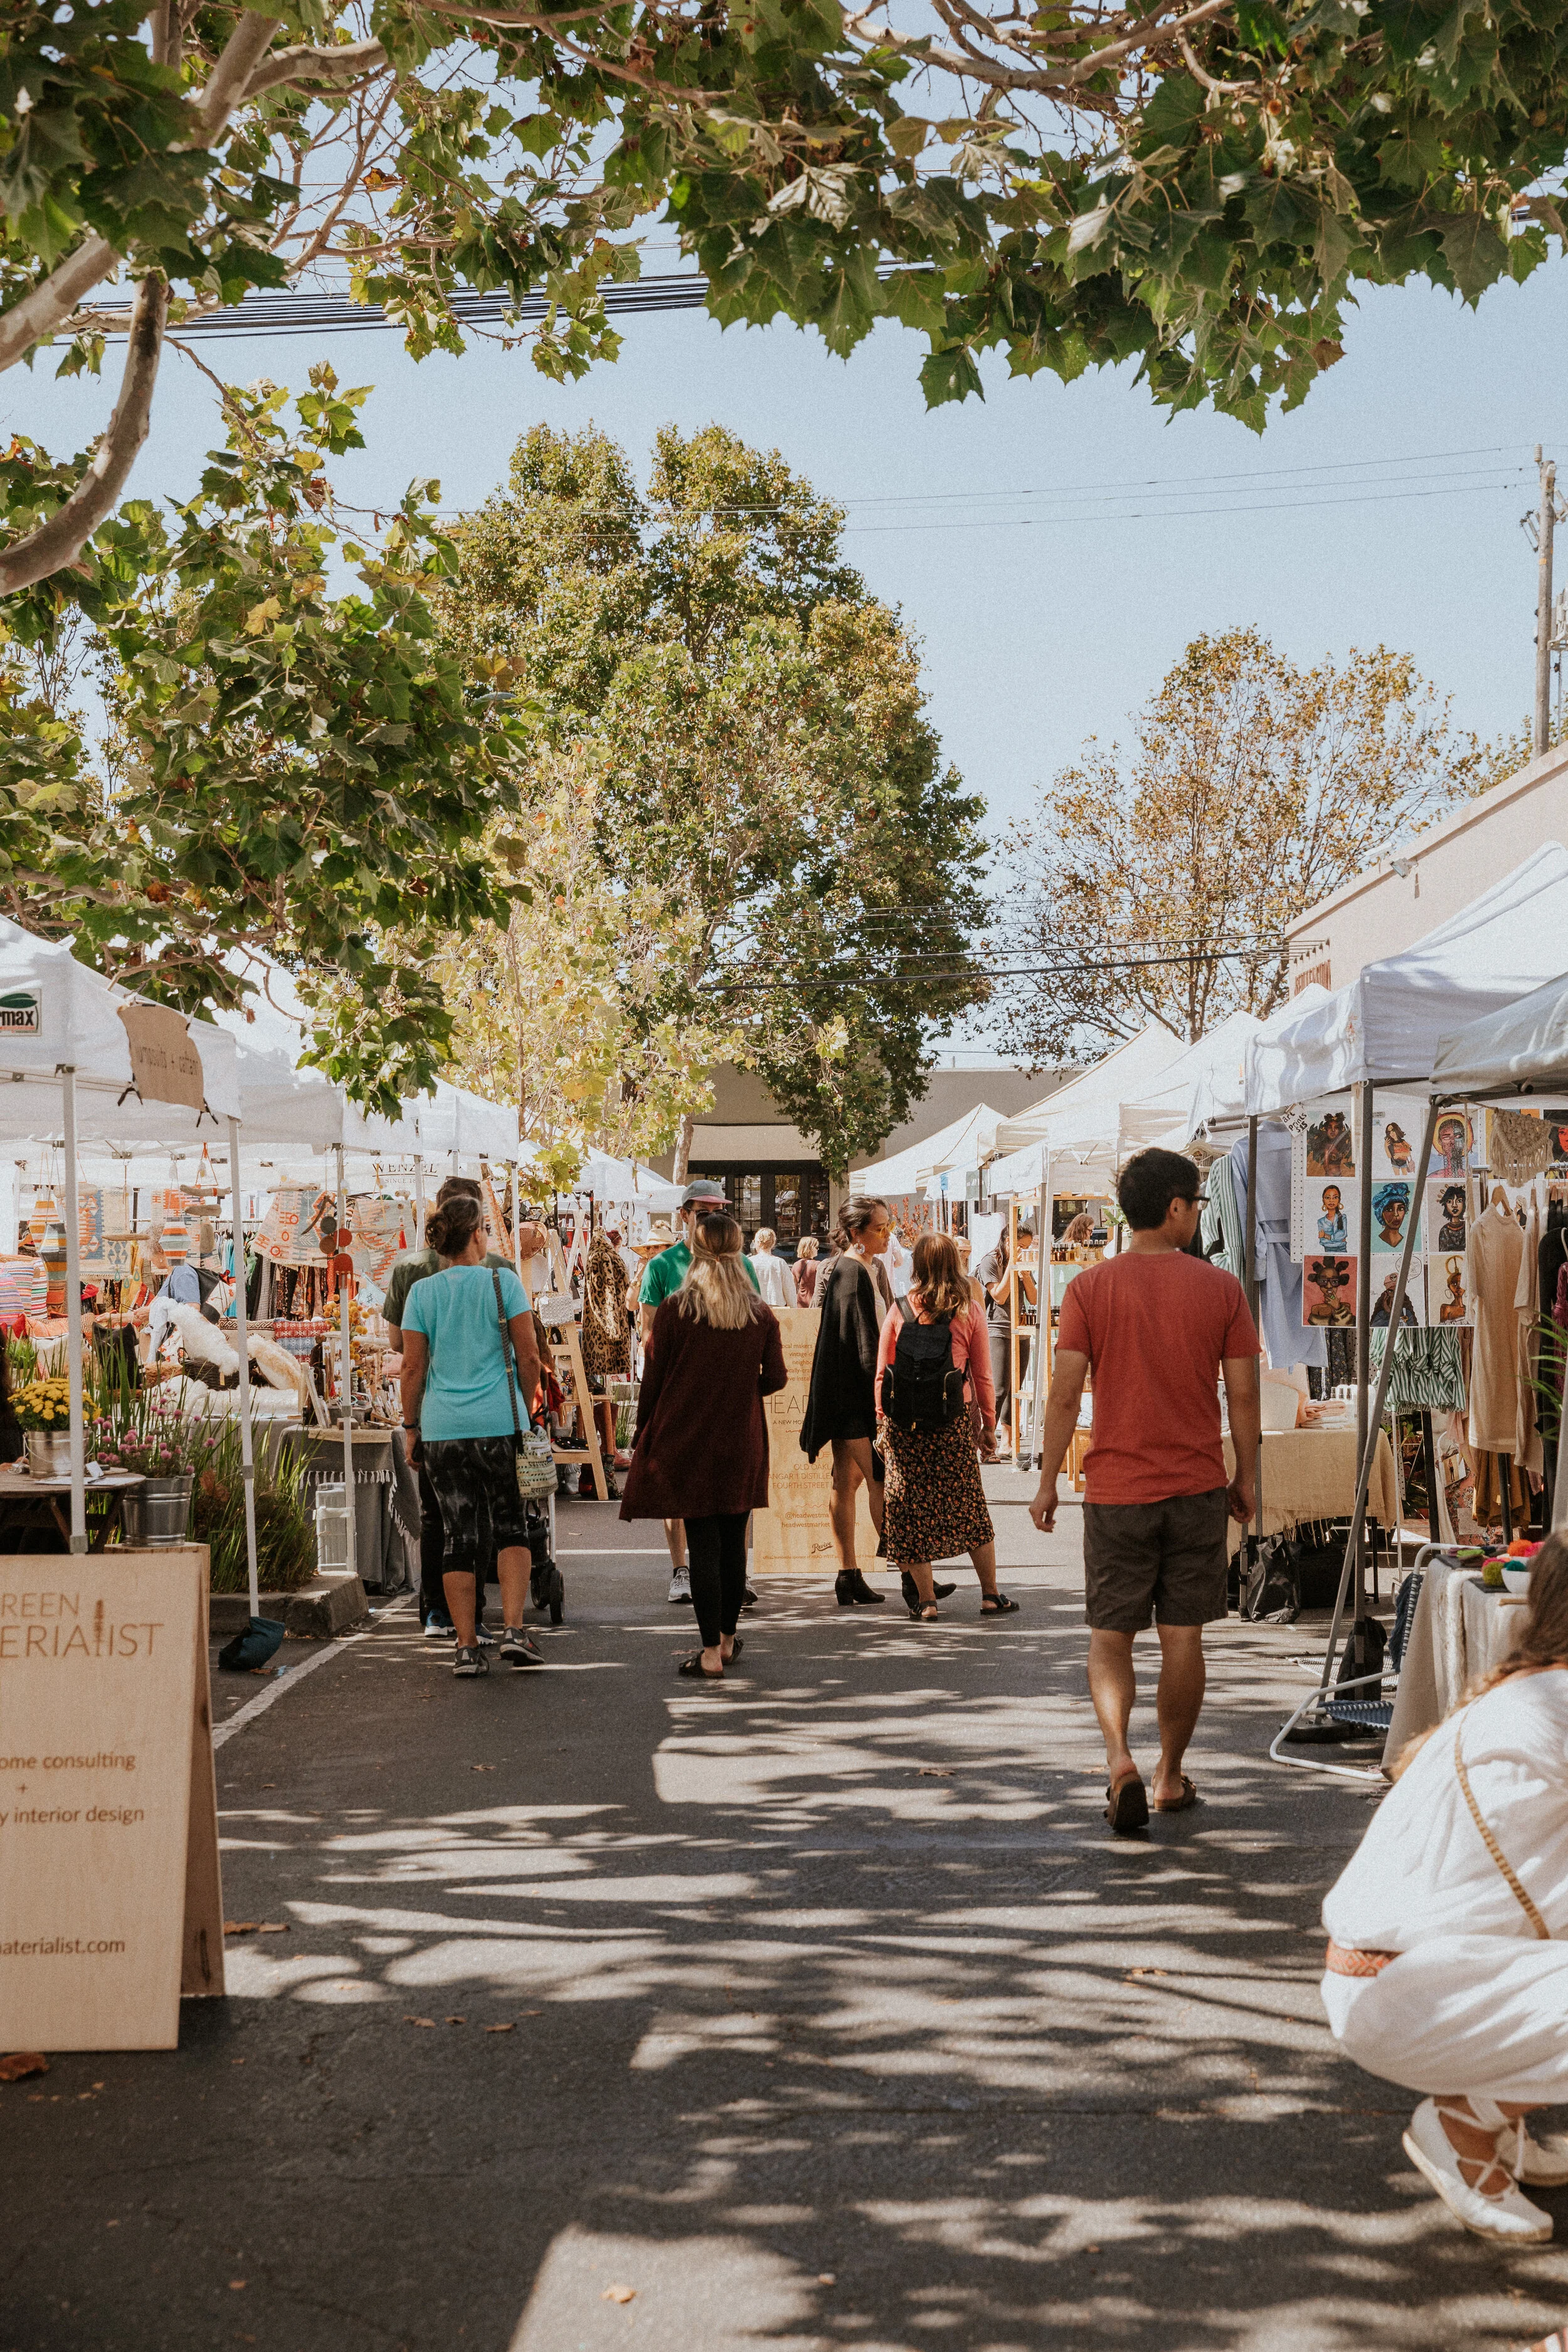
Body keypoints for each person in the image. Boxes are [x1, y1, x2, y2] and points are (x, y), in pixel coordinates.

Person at [1320, 1532, 1568, 2246]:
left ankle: (1489, 2109)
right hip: (1406, 1992)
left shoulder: (1533, 1688)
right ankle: (1464, 2121)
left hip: (1397, 1977)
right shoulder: (1553, 1704)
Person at [1029, 1147, 1260, 1835]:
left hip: (1116, 1489)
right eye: (1197, 1203)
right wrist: (1245, 1477)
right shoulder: (1220, 1290)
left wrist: (1045, 1482)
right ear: (1174, 1207)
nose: (1198, 1215)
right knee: (1182, 1636)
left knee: (1110, 1637)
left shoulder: (1089, 1290)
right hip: (1194, 1486)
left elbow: (1065, 1395)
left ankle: (1119, 1759)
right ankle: (1167, 1775)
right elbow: (1243, 1398)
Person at [620, 1213, 787, 1679]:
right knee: (735, 1543)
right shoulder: (759, 1313)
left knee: (703, 1546)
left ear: (693, 1251)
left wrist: (643, 1433)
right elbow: (775, 1377)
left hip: (688, 1437)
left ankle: (710, 1650)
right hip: (741, 1437)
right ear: (739, 1252)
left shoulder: (676, 1310)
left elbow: (652, 1382)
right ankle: (729, 1641)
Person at [385, 1177, 545, 1641]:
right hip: (500, 1422)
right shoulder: (505, 1283)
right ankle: (514, 1629)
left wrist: (411, 1428)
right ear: (477, 1234)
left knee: (457, 1535)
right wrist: (528, 1406)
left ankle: (466, 1644)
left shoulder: (423, 1294)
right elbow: (530, 1355)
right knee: (511, 1526)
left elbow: (412, 1369)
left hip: (443, 1429)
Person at [876, 1233, 1010, 1620]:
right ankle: (990, 1595)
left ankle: (927, 1602)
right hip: (952, 1421)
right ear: (953, 1263)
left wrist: (882, 1421)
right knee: (968, 1506)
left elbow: (883, 1374)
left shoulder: (900, 1309)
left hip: (906, 1424)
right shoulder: (968, 1310)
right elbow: (983, 1375)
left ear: (917, 1264)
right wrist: (987, 1425)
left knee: (911, 1509)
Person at [640, 1183, 759, 1603]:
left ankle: (737, 1572)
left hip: (728, 1395)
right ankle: (680, 1570)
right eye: (703, 1211)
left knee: (737, 1488)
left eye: (718, 1212)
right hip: (679, 1392)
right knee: (676, 1486)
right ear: (684, 1215)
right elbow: (649, 1330)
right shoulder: (662, 1265)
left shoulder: (743, 1264)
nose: (710, 1218)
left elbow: (754, 1324)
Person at [799, 1195, 893, 1605]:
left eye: (889, 1226)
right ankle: (912, 1579)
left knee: (847, 1480)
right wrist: (883, 1402)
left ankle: (848, 1575)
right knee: (880, 1479)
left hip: (845, 1395)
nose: (887, 1233)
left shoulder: (856, 1268)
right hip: (856, 1400)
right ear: (857, 1233)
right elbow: (865, 1346)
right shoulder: (853, 1273)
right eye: (880, 1228)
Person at [974, 1224, 1037, 1461]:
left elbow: (1033, 1298)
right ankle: (986, 1441)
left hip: (1020, 1328)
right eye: (1021, 1246)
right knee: (998, 1388)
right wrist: (1013, 1265)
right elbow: (999, 1296)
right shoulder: (990, 1261)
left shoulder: (1023, 1263)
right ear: (1008, 1241)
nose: (1025, 1251)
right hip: (997, 1328)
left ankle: (1008, 1443)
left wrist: (1026, 1275)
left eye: (1028, 1247)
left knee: (1015, 1389)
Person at [581, 1216, 634, 1480]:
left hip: (604, 1333)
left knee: (604, 1395)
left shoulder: (599, 1255)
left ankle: (609, 1450)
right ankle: (607, 1452)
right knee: (602, 1395)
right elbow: (608, 1295)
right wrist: (614, 1331)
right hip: (605, 1338)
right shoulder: (603, 1257)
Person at [748, 1227, 796, 1311]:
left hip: (754, 1308)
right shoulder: (780, 1263)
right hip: (777, 1308)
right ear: (773, 1244)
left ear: (758, 1243)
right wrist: (794, 1309)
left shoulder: (750, 1262)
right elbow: (789, 1290)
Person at [1316, 1185, 1348, 1251]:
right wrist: (1339, 1239)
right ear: (1323, 1201)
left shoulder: (1343, 1218)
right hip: (1327, 1250)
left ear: (1339, 1200)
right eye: (1328, 1198)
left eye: (1335, 1197)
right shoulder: (1321, 1221)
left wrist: (1326, 1236)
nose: (1331, 1201)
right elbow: (1322, 1240)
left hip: (1342, 1249)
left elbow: (1343, 1234)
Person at [793, 1234, 820, 1307]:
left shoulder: (795, 1265)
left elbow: (794, 1288)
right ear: (810, 1248)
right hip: (812, 1303)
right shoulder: (817, 1265)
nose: (818, 1249)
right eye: (816, 1247)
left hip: (799, 1302)